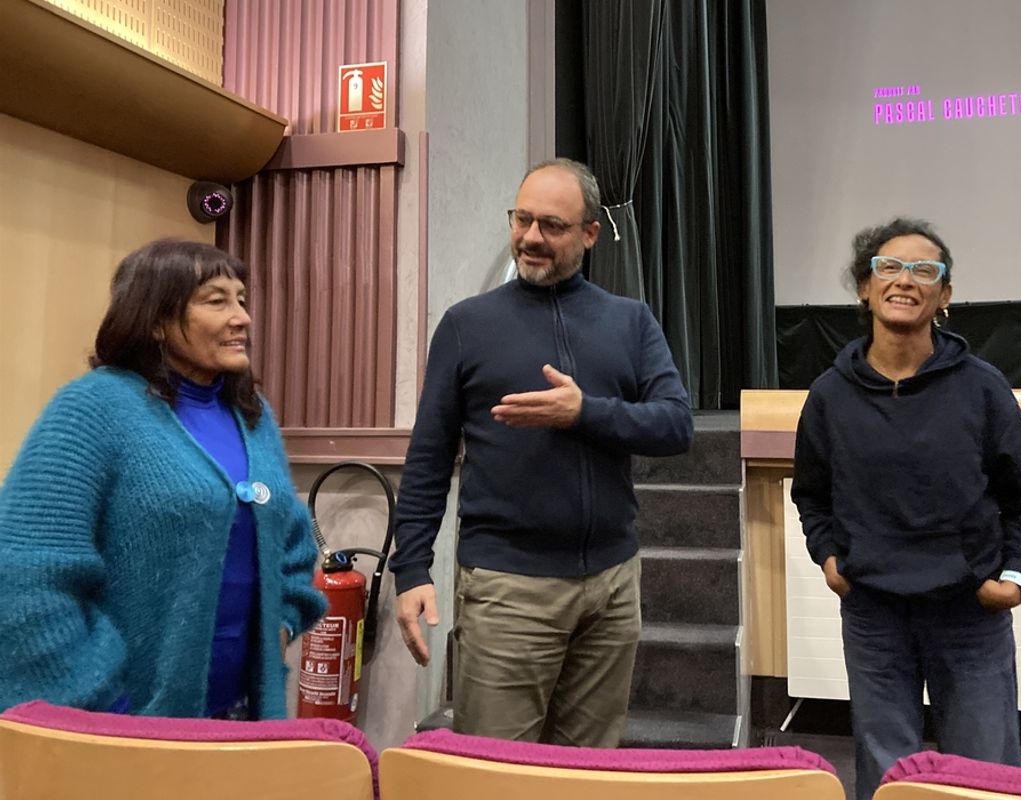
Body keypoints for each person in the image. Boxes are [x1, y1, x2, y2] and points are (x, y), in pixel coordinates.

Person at [389, 158, 693, 747]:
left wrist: (586, 413)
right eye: (522, 220)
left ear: (589, 235)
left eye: (551, 225)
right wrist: (412, 567)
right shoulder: (466, 325)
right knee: (499, 776)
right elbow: (429, 456)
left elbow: (675, 425)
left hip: (611, 586)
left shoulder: (628, 321)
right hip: (507, 588)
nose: (531, 237)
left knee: (588, 773)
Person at [0, 240, 326, 719]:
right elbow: (27, 577)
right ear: (154, 319)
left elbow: (293, 547)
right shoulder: (92, 409)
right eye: (216, 301)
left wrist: (277, 625)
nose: (242, 318)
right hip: (122, 728)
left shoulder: (252, 417)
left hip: (241, 722)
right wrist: (98, 704)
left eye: (241, 299)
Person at [791, 218, 1021, 800]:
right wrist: (829, 557)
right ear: (865, 286)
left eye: (924, 270)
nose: (905, 280)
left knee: (987, 779)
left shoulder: (983, 389)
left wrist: (1013, 580)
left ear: (945, 295)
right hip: (874, 615)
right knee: (886, 777)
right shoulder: (830, 395)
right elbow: (811, 493)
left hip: (969, 616)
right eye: (889, 267)